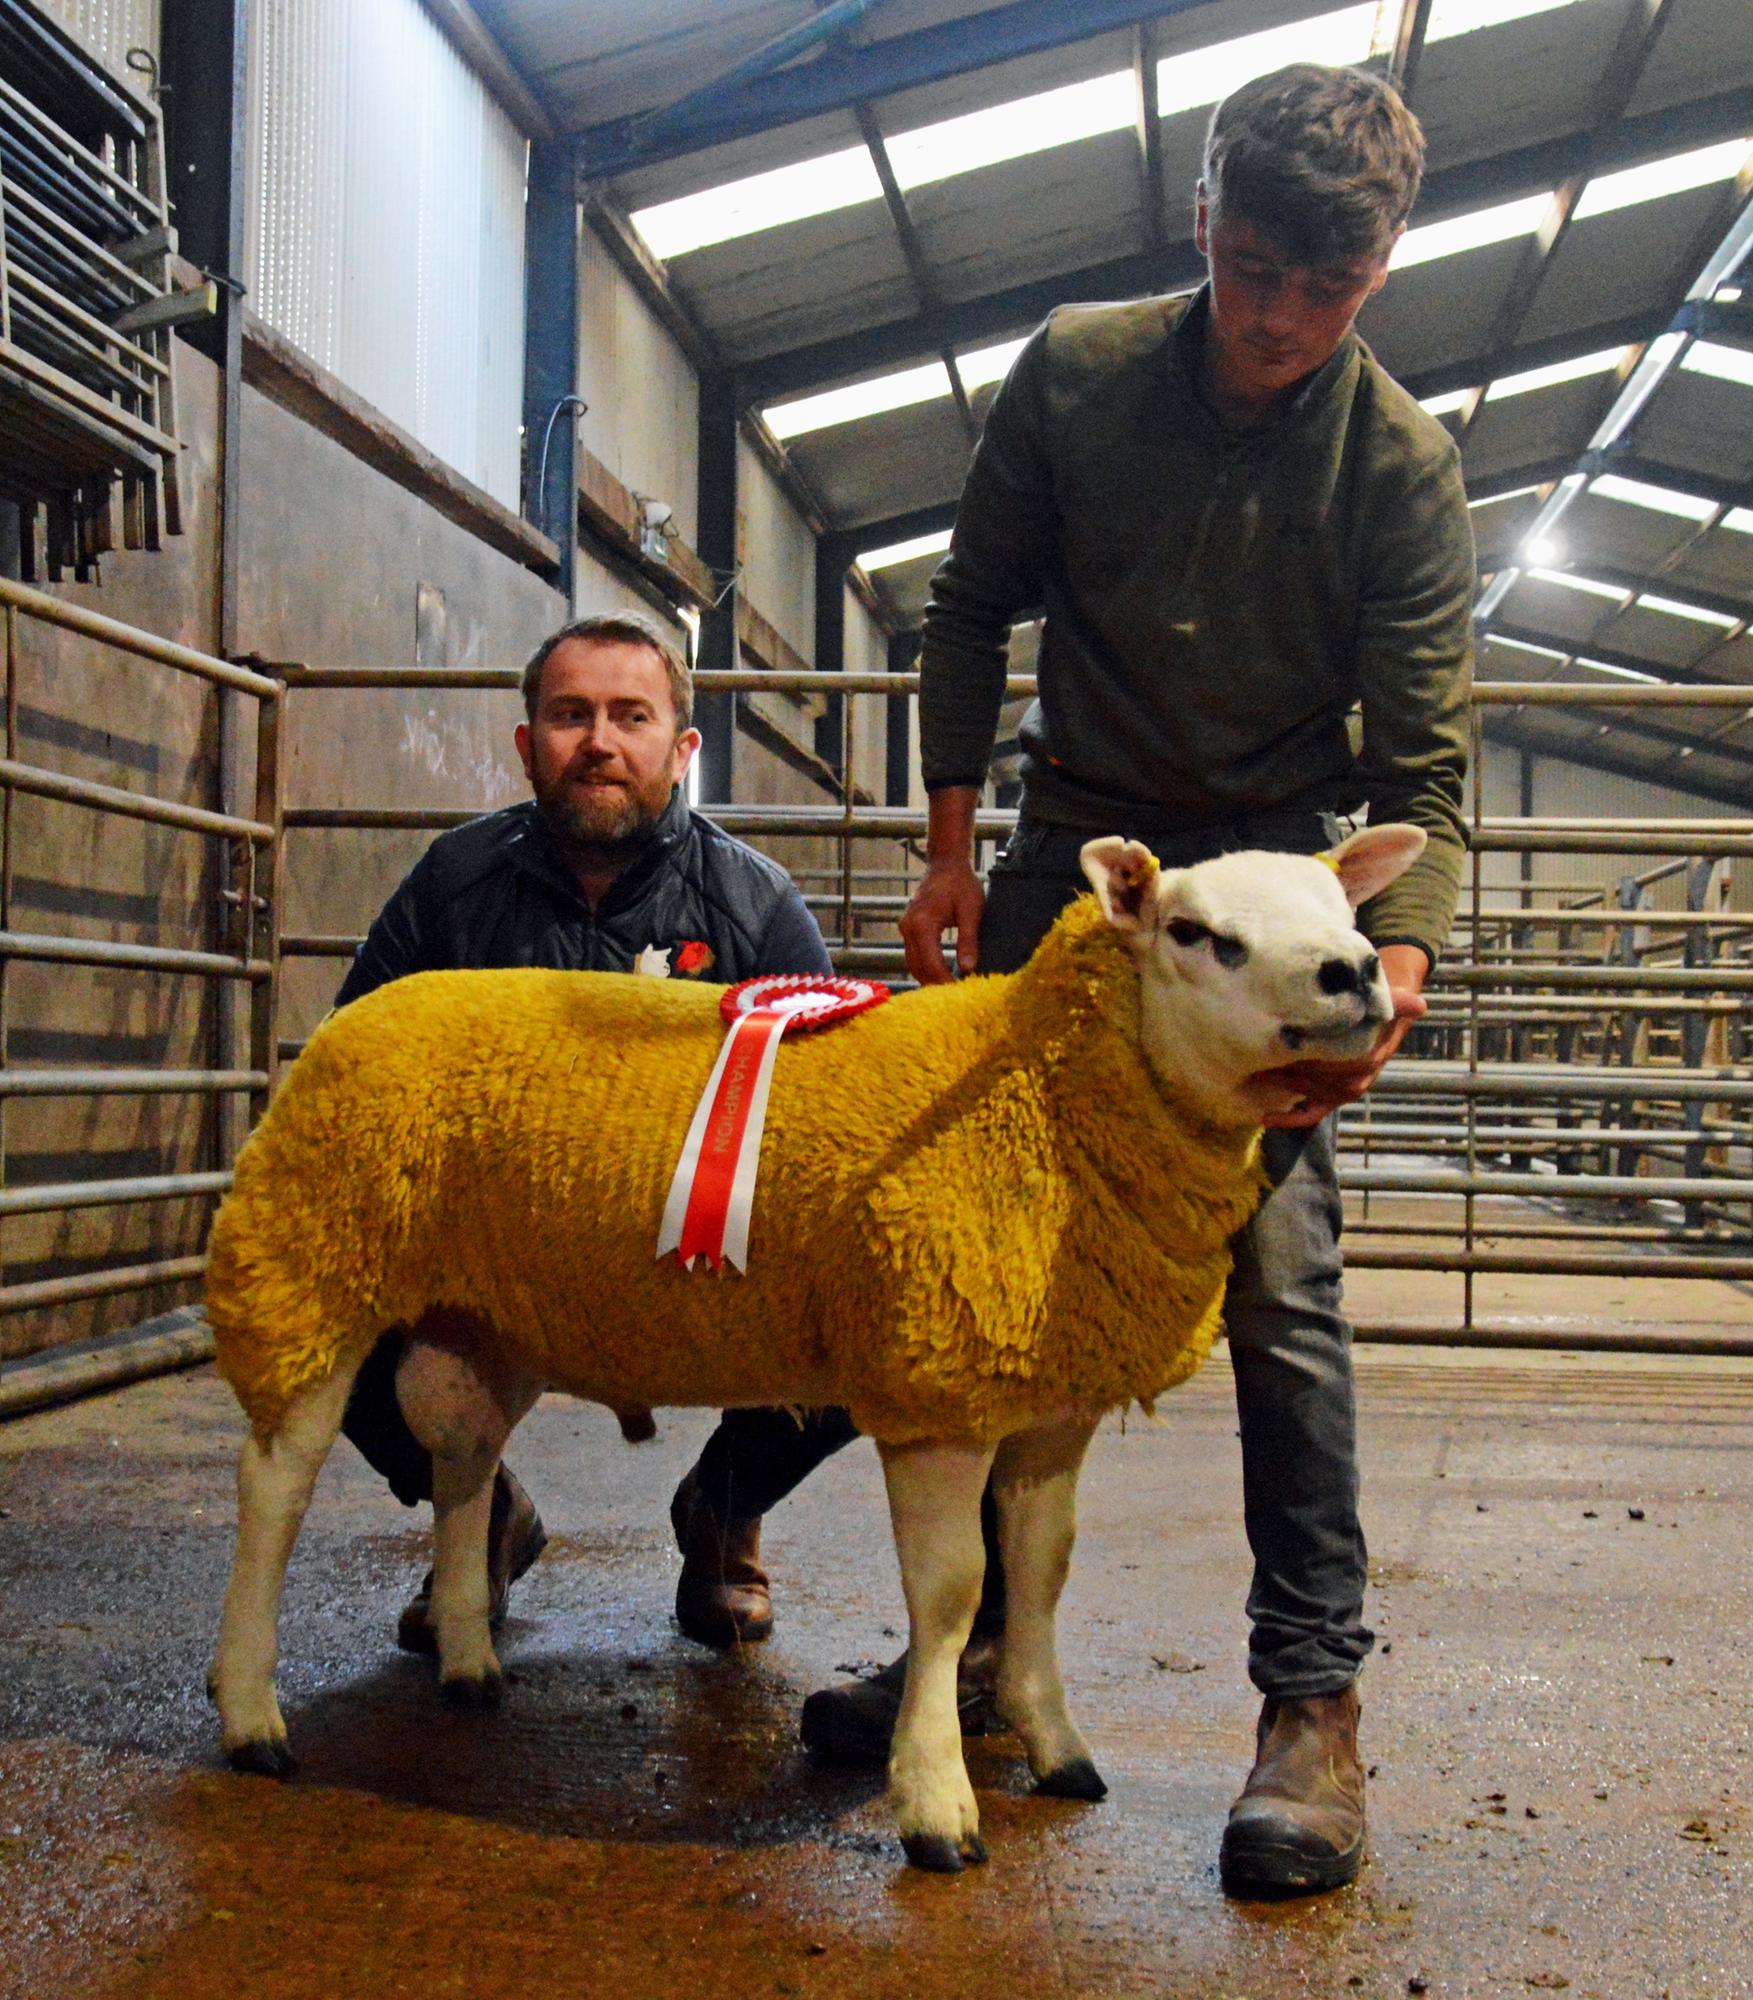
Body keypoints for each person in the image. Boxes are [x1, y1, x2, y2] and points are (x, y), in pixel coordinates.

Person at [676, 62, 1474, 1897]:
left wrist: (1387, 973)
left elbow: (1423, 765)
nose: (1277, 321)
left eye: (1326, 291)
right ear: (1201, 215)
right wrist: (952, 841)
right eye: (1257, 266)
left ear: (1382, 274)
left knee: (1275, 1282)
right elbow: (971, 603)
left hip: (1262, 907)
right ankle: (908, 1626)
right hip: (1078, 871)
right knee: (923, 1229)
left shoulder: (1400, 470)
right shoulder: (1080, 370)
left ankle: (1308, 1706)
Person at [333, 609, 836, 1654]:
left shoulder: (757, 904)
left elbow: (825, 1120)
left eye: (629, 714)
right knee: (319, 1314)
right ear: (527, 744)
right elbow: (356, 1066)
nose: (598, 739)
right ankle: (481, 1516)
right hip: (491, 1258)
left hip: (689, 1259)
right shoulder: (450, 885)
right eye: (569, 714)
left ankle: (722, 1509)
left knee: (874, 1321)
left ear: (680, 747)